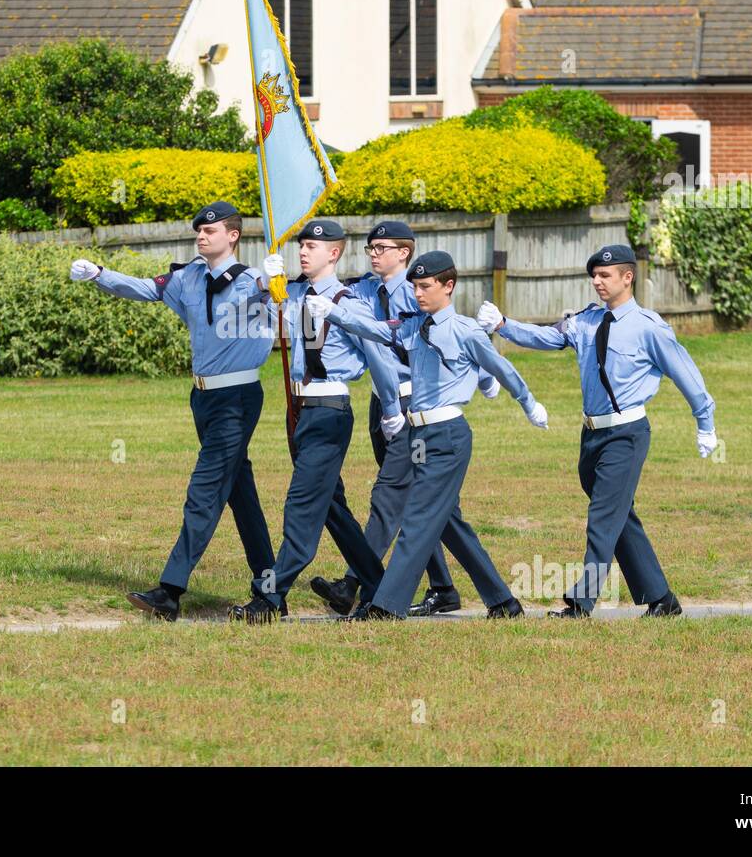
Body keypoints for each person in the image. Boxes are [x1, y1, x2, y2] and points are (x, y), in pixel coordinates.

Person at [477, 243, 718, 618]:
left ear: (628, 277)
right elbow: (548, 337)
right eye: (594, 275)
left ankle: (581, 602)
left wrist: (705, 424)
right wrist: (504, 326)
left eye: (605, 275)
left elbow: (686, 374)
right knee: (619, 517)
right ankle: (662, 599)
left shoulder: (648, 328)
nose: (597, 281)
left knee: (602, 519)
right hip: (591, 436)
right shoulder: (587, 321)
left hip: (627, 434)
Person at [311, 249, 548, 620]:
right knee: (448, 522)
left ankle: (387, 606)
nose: (418, 294)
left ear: (448, 286)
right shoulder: (411, 325)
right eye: (415, 287)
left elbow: (501, 369)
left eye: (425, 286)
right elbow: (375, 330)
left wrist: (529, 403)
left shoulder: (465, 330)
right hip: (416, 433)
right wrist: (334, 313)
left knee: (418, 517)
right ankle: (503, 602)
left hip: (447, 434)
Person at [68, 200, 275, 622]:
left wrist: (279, 281)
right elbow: (145, 288)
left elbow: (288, 306)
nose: (201, 236)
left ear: (232, 236)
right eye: (198, 230)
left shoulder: (256, 281)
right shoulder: (188, 278)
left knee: (204, 492)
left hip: (238, 399)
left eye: (210, 231)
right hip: (203, 398)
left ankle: (170, 591)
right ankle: (271, 588)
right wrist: (100, 275)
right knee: (240, 494)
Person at [228, 219, 387, 624]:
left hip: (330, 411)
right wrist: (265, 283)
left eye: (312, 247)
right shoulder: (293, 292)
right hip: (298, 412)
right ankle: (382, 589)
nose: (303, 251)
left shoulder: (348, 300)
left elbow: (380, 345)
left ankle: (270, 595)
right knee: (332, 508)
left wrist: (392, 411)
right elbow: (240, 309)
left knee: (300, 504)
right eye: (301, 245)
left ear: (333, 253)